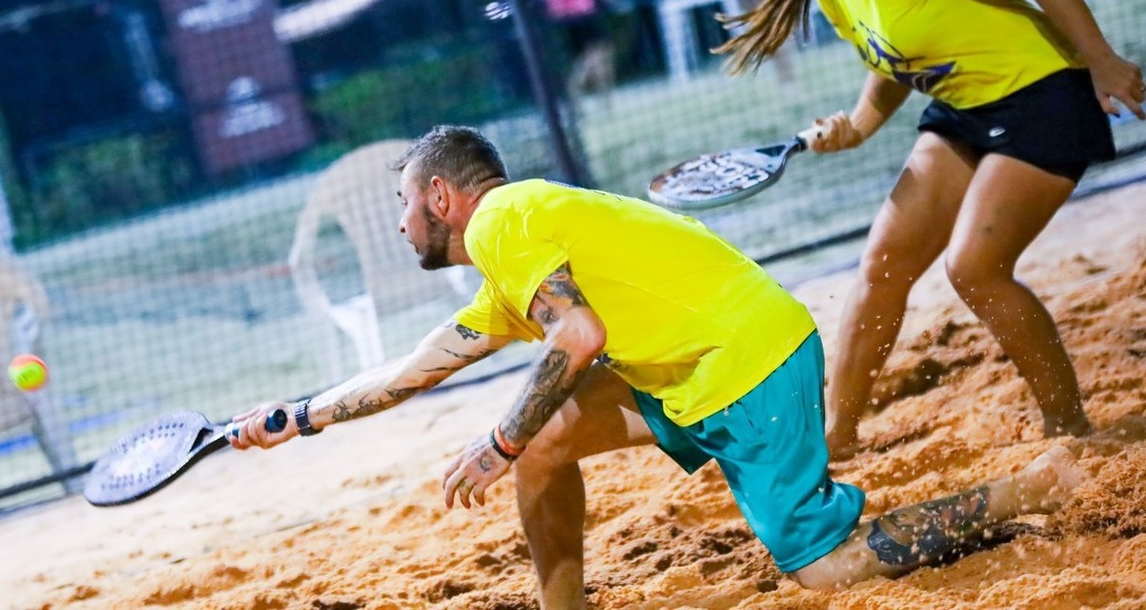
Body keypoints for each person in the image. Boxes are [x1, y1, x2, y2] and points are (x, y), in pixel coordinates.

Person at [230, 125, 1088, 606]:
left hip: (750, 365)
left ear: (443, 198)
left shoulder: (502, 222)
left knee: (823, 571)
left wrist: (495, 441)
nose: (399, 224)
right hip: (688, 372)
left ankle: (1033, 487)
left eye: (402, 204)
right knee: (547, 443)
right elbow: (413, 371)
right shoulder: (510, 257)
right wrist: (297, 416)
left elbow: (579, 339)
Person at [714, 0, 1146, 462]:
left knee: (973, 267)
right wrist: (859, 124)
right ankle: (837, 438)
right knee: (883, 263)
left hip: (1044, 96)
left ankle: (1069, 430)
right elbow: (892, 59)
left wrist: (1103, 61)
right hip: (968, 108)